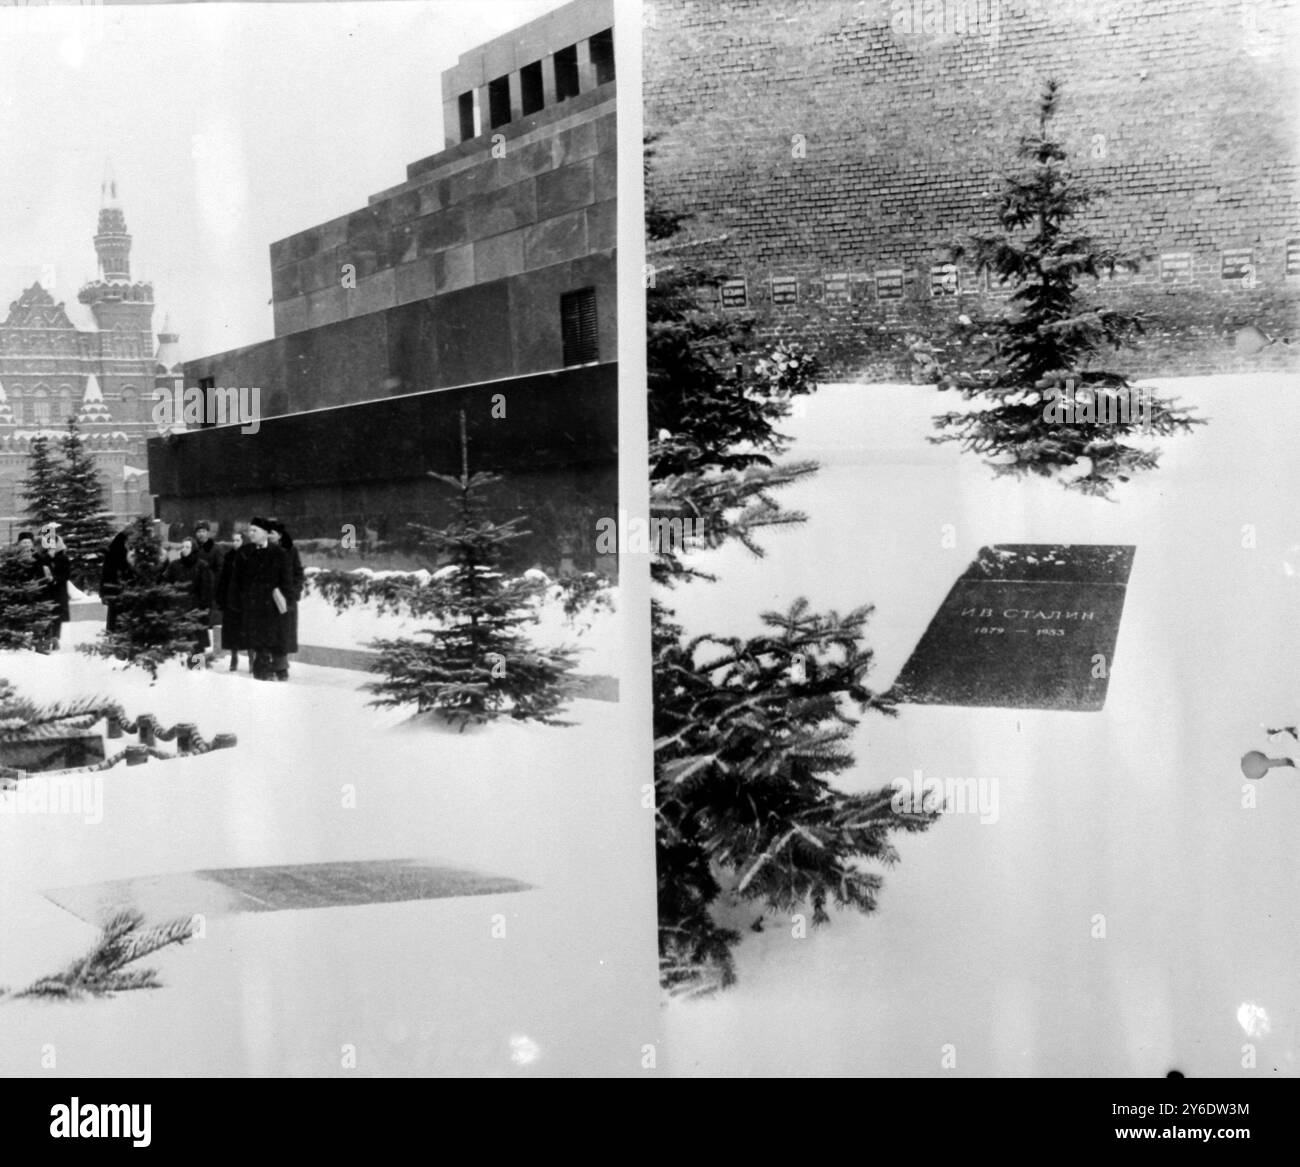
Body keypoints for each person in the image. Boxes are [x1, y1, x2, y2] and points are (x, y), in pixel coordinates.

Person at [230, 517, 293, 681]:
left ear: (265, 533)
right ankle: (263, 673)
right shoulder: (244, 553)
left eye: (254, 530)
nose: (250, 534)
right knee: (258, 642)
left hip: (272, 606)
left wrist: (286, 600)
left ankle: (276, 671)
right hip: (252, 606)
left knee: (273, 640)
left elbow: (286, 581)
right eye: (249, 531)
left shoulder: (279, 553)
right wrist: (237, 602)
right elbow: (236, 581)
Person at [163, 536, 215, 664]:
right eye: (183, 546)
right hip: (178, 608)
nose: (184, 549)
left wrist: (204, 606)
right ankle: (179, 669)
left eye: (188, 547)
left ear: (194, 549)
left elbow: (207, 588)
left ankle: (196, 668)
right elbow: (166, 584)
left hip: (196, 608)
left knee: (197, 642)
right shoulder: (174, 565)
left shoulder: (202, 566)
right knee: (180, 642)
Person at [267, 519, 305, 678]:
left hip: (285, 598)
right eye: (267, 532)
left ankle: (281, 668)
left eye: (272, 533)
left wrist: (294, 592)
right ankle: (268, 665)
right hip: (267, 598)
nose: (269, 536)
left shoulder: (291, 550)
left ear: (280, 535)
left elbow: (298, 573)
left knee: (282, 633)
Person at [32, 523, 71, 650]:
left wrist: (55, 578)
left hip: (57, 590)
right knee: (44, 614)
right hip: (43, 590)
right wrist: (48, 556)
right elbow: (38, 567)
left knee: (56, 615)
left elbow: (65, 574)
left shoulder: (62, 557)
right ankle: (43, 638)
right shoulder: (38, 556)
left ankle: (54, 638)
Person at [215, 529, 245, 671]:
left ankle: (252, 658)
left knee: (247, 631)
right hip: (230, 600)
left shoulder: (249, 556)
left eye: (238, 540)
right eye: (233, 540)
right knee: (232, 632)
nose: (235, 543)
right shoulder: (228, 557)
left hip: (244, 601)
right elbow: (223, 579)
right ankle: (234, 657)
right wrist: (221, 598)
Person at [191, 521, 225, 634]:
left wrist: (214, 584)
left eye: (203, 531)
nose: (201, 534)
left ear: (208, 533)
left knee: (211, 618)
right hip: (195, 588)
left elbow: (220, 569)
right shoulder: (193, 549)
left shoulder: (216, 549)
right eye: (199, 531)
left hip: (211, 588)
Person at [99, 529, 131, 633]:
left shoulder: (111, 554)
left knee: (113, 614)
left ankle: (112, 632)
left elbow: (104, 574)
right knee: (120, 612)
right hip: (119, 588)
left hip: (112, 589)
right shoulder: (122, 554)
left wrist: (103, 592)